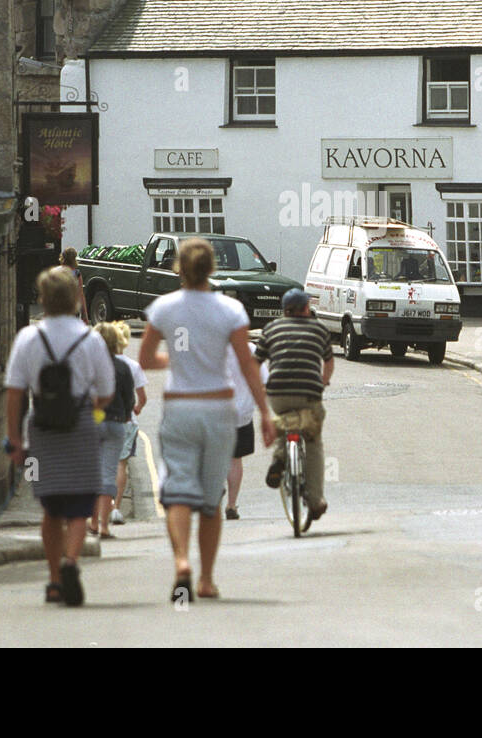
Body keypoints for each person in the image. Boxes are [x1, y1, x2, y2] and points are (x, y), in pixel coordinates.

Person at [139, 238, 273, 602]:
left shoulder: (164, 308)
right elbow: (247, 366)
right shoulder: (230, 310)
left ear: (178, 268)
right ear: (211, 268)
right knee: (212, 498)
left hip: (181, 408)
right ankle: (207, 579)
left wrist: (177, 362)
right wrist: (264, 413)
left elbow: (147, 359)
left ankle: (182, 562)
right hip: (219, 410)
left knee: (178, 491)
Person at [4, 266, 115, 606]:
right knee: (79, 508)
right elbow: (107, 390)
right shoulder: (91, 338)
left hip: (43, 428)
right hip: (80, 424)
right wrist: (88, 408)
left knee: (51, 509)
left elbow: (14, 393)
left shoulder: (28, 338)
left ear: (42, 298)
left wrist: (15, 441)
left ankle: (53, 581)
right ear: (73, 298)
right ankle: (71, 563)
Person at [258, 289, 335, 520]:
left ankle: (280, 459)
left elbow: (256, 362)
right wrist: (322, 383)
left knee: (286, 422)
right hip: (308, 393)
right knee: (312, 441)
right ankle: (315, 500)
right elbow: (328, 363)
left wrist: (262, 387)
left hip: (278, 394)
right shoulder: (319, 329)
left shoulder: (271, 329)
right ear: (305, 308)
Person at [89, 322, 136, 538]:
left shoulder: (88, 366)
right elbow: (130, 399)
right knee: (109, 474)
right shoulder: (122, 367)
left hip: (91, 423)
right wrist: (126, 415)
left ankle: (93, 522)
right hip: (116, 423)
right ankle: (105, 526)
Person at [223, 341, 268, 520]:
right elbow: (263, 381)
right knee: (235, 459)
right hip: (242, 413)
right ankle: (231, 505)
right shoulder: (250, 349)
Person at [109, 320, 147, 526]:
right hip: (126, 420)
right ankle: (115, 509)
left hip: (102, 420)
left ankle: (99, 511)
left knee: (103, 463)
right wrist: (138, 408)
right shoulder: (132, 366)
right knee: (120, 464)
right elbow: (142, 397)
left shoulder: (100, 363)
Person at [60, 247, 89, 323]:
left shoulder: (57, 272)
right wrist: (84, 314)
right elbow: (80, 294)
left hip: (59, 307)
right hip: (73, 307)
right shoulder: (76, 273)